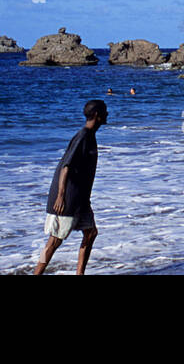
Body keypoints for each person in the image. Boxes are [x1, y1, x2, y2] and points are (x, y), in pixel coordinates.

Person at [34, 100, 107, 275]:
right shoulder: (83, 136)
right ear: (97, 115)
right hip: (67, 199)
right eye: (105, 112)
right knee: (54, 242)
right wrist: (61, 195)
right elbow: (66, 166)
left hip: (81, 200)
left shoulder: (90, 136)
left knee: (91, 233)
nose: (107, 114)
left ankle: (79, 273)